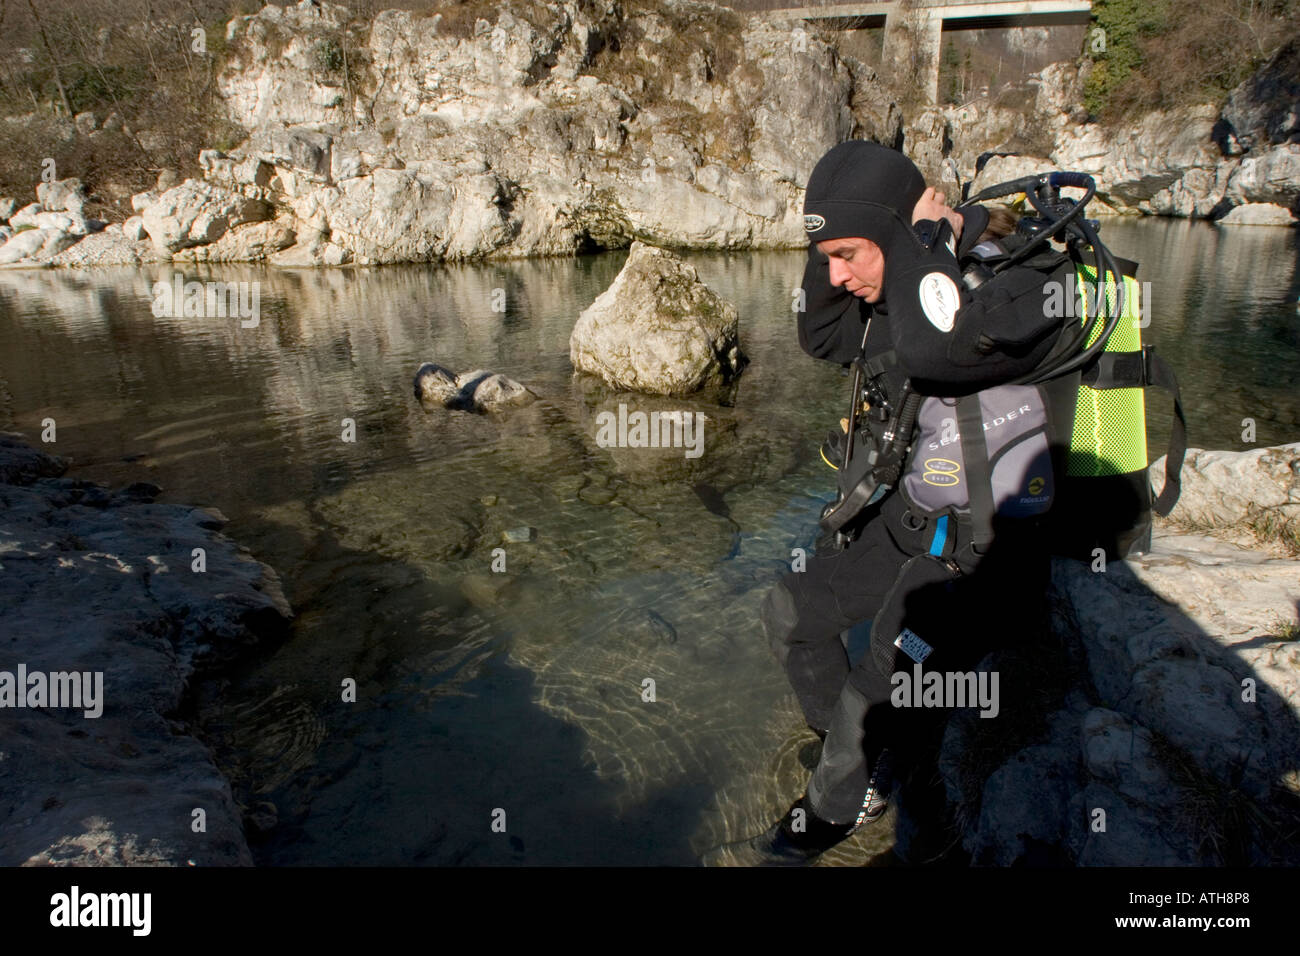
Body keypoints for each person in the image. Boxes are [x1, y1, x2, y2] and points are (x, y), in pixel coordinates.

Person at [707, 140, 1079, 866]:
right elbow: (820, 336)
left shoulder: (1015, 282)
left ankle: (838, 808)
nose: (837, 277)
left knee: (877, 678)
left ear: (898, 235)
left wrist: (926, 240)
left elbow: (940, 350)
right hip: (912, 517)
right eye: (826, 258)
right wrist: (841, 244)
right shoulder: (895, 285)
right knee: (791, 610)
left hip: (983, 548)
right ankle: (855, 750)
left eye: (849, 254)